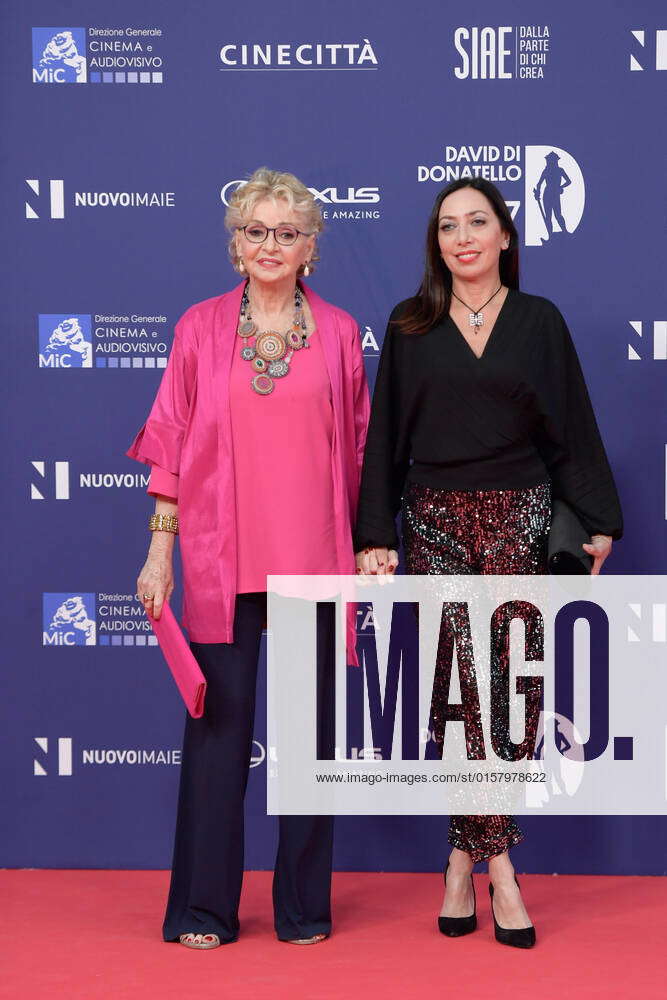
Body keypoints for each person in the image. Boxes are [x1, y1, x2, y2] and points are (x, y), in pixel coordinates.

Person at [354, 177, 622, 948]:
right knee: (459, 697)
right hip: (434, 517)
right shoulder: (409, 326)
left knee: (511, 701)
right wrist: (375, 529)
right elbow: (385, 445)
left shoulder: (539, 321)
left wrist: (599, 521)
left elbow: (570, 425)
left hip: (520, 516)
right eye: (447, 226)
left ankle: (460, 859)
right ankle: (498, 866)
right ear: (434, 243)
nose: (462, 236)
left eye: (477, 222)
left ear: (505, 235)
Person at [127, 167, 370, 948]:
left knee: (307, 752)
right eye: (255, 231)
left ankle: (303, 909)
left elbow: (361, 451)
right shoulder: (198, 327)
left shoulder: (337, 332)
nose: (270, 245)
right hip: (219, 562)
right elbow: (168, 439)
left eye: (287, 232)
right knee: (216, 744)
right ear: (235, 245)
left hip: (313, 565)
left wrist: (368, 546)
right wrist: (159, 554)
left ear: (310, 247)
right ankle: (203, 910)